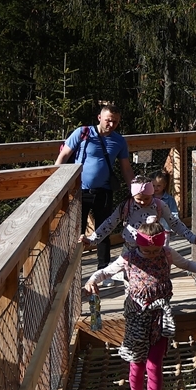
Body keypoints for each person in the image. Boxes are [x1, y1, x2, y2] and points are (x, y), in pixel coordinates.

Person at [83, 221, 196, 390]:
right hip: (136, 317)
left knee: (154, 364)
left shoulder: (167, 254)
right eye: (147, 251)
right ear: (138, 245)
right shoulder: (128, 257)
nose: (152, 254)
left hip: (159, 316)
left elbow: (187, 264)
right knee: (136, 363)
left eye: (155, 250)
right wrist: (92, 280)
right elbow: (106, 272)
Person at [56, 105, 135, 273]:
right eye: (108, 120)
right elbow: (63, 156)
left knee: (103, 231)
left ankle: (103, 271)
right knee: (76, 232)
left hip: (104, 192)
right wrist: (56, 183)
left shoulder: (119, 141)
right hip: (79, 192)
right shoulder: (83, 133)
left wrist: (134, 191)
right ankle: (72, 271)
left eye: (115, 122)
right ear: (99, 118)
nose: (111, 124)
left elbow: (126, 169)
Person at [80, 176, 196, 272]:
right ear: (133, 196)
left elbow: (174, 223)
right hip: (130, 250)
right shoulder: (125, 207)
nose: (142, 202)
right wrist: (92, 240)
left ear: (152, 194)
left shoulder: (159, 205)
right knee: (130, 282)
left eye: (147, 199)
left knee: (154, 278)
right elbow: (109, 224)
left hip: (152, 251)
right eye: (139, 199)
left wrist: (191, 237)